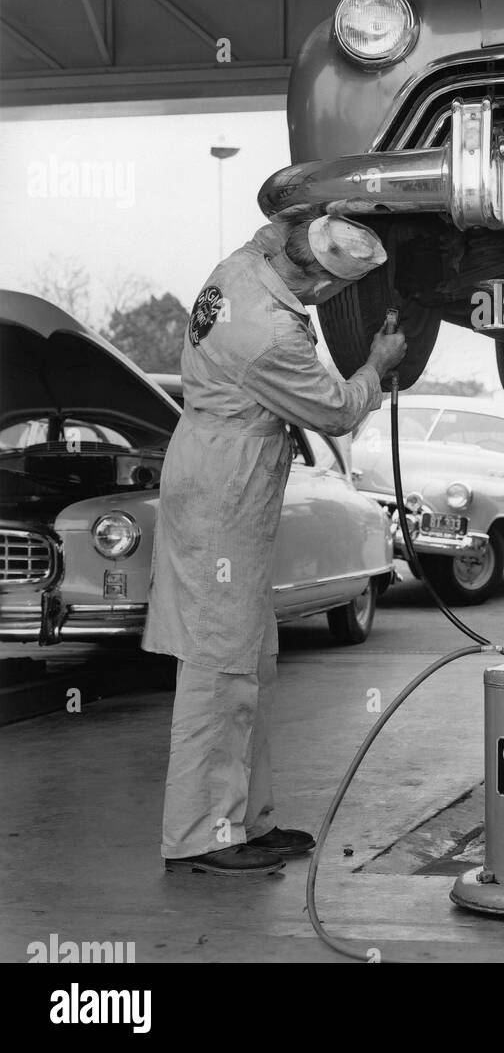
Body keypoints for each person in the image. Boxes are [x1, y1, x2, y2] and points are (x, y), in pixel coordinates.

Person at [142, 213, 406, 877]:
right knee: (217, 667)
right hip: (221, 492)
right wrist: (376, 366)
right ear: (315, 278)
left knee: (249, 660)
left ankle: (243, 820)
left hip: (221, 473)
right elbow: (338, 410)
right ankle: (202, 834)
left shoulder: (244, 265)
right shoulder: (268, 335)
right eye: (330, 290)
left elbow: (276, 227)